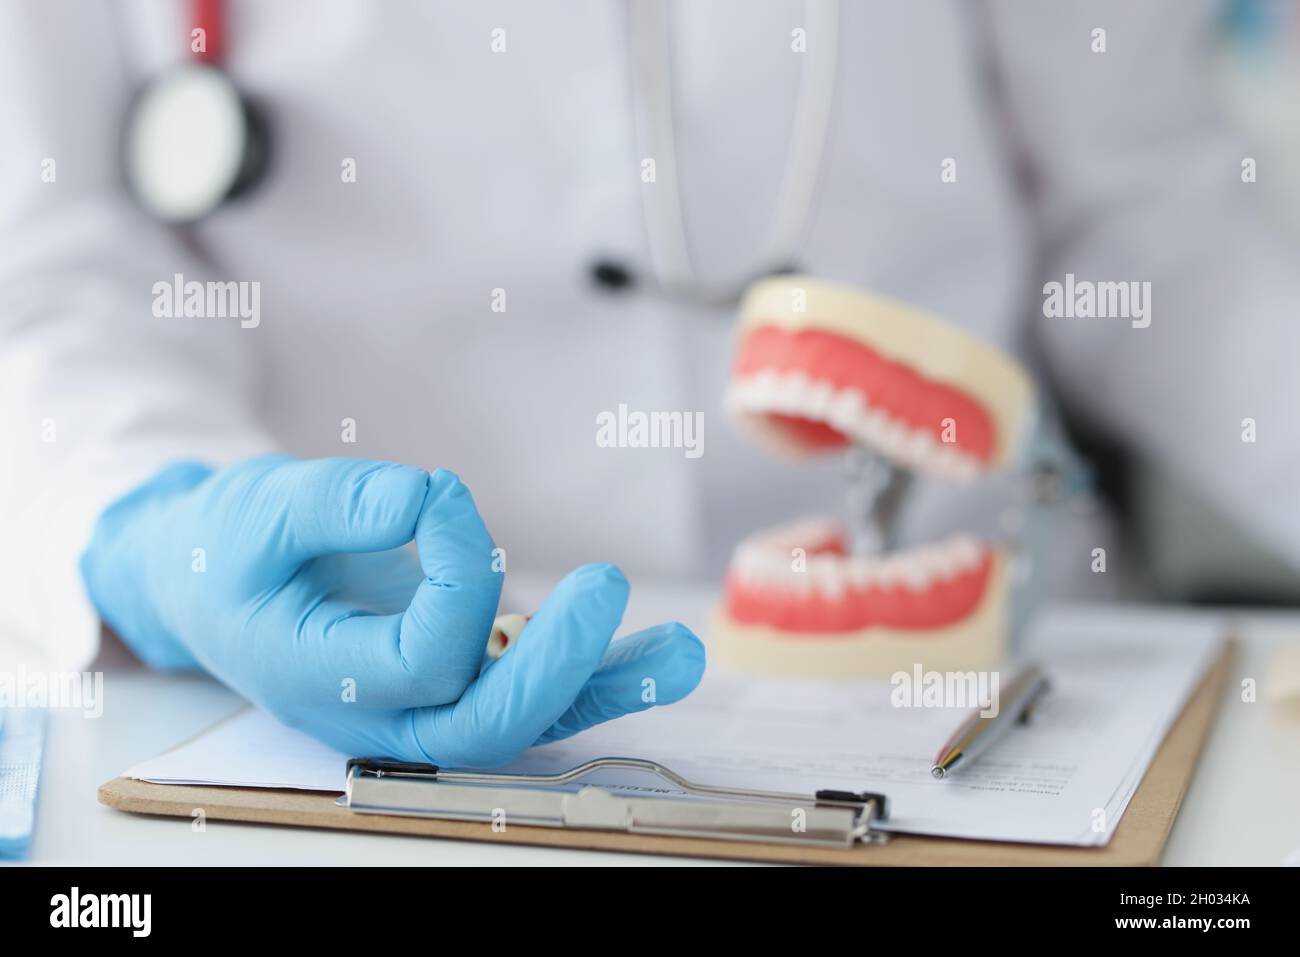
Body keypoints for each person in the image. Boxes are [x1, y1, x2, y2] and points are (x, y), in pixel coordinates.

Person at [2, 1, 1296, 766]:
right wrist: (143, 518)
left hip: (996, 675)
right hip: (321, 700)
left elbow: (1147, 218)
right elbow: (49, 264)